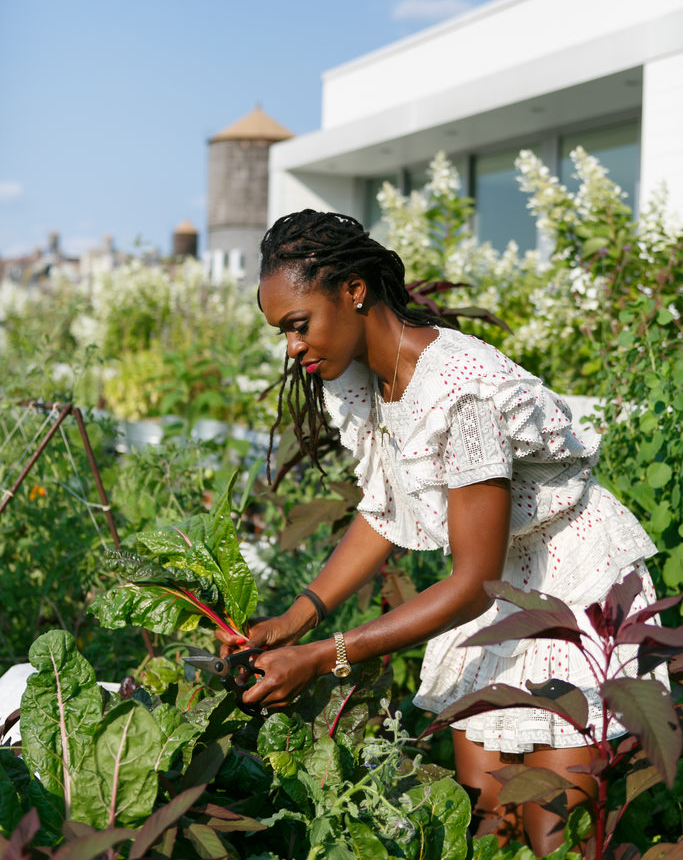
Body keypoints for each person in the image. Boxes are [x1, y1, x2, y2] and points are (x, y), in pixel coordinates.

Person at [217, 209, 664, 852]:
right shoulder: (369, 382)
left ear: (353, 291)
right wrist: (295, 618)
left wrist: (321, 657)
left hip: (569, 584)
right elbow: (384, 510)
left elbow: (473, 582)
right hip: (501, 583)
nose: (291, 347)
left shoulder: (462, 393)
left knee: (551, 837)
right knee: (489, 825)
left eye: (297, 324)